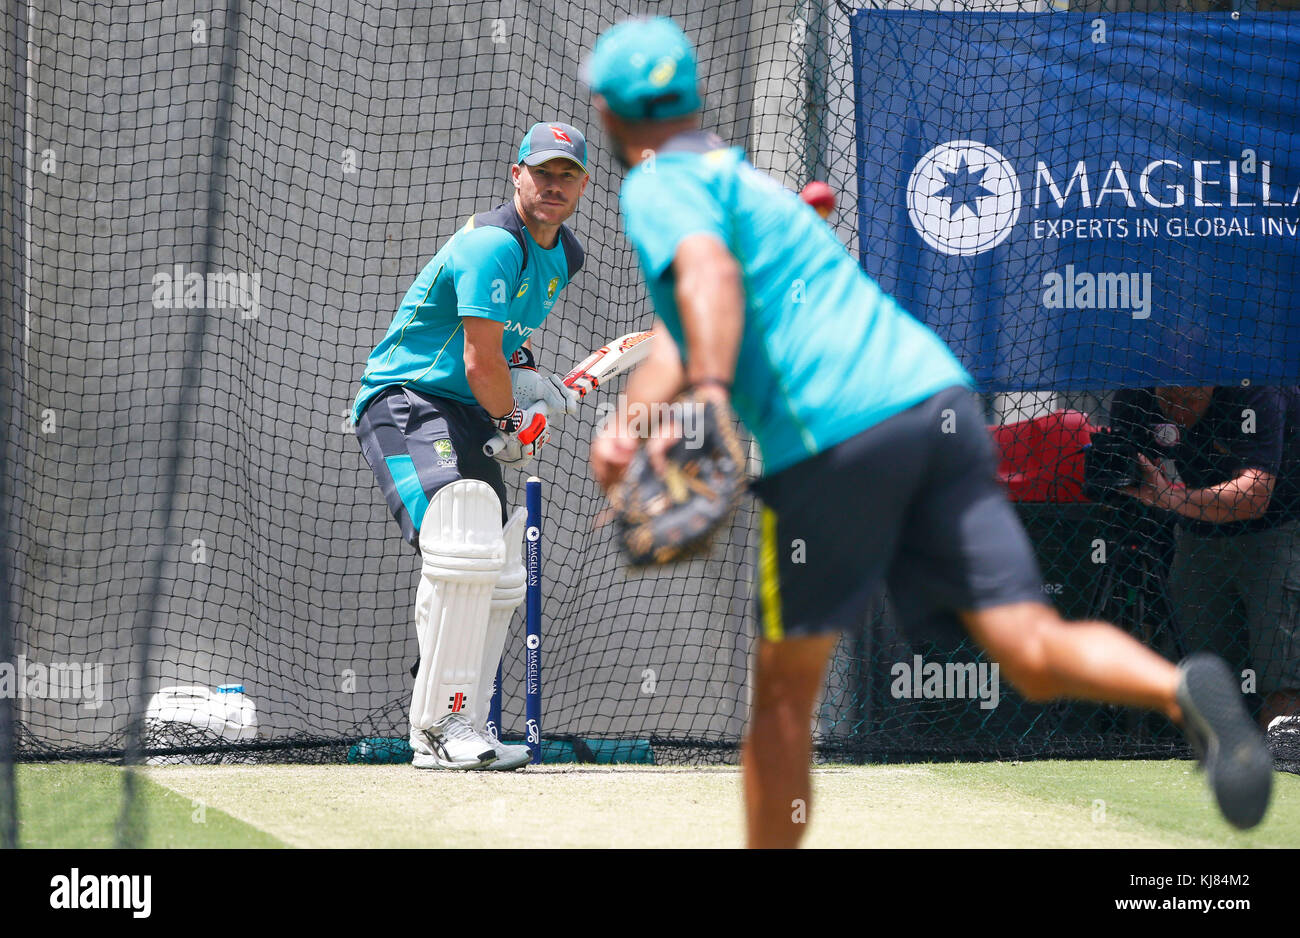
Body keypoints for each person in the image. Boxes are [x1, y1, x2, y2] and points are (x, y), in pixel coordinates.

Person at [582, 17, 1273, 846]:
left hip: (833, 441)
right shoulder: (751, 187)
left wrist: (701, 403)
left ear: (612, 113)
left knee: (780, 706)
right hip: (936, 403)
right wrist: (635, 416)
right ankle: (1181, 690)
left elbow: (709, 282)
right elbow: (689, 322)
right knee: (1029, 643)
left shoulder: (659, 183)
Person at [352, 122, 590, 769]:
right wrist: (515, 418)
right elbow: (479, 356)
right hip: (407, 400)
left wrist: (530, 376)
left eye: (566, 175)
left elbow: (509, 341)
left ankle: (462, 727)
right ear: (516, 174)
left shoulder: (564, 256)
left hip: (467, 410)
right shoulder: (491, 244)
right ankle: (440, 729)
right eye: (541, 172)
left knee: (490, 566)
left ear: (583, 186)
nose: (552, 185)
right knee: (461, 539)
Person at [1113, 385, 1300, 729]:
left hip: (1281, 524)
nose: (1176, 411)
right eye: (1167, 399)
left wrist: (1172, 499)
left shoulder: (1257, 386)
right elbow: (1118, 463)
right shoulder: (1136, 389)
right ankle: (1219, 766)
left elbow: (1256, 495)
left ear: (1211, 383)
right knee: (1198, 671)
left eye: (1188, 400)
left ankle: (1279, 764)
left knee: (1284, 675)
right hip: (1198, 531)